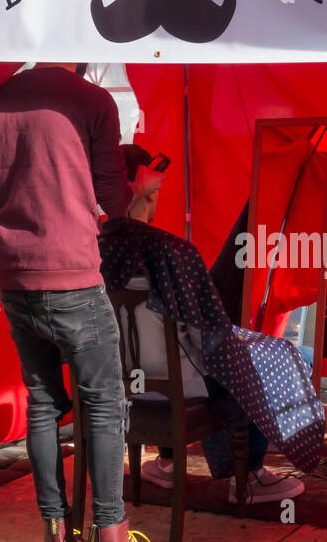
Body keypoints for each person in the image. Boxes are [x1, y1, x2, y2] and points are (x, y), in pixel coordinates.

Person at [0, 64, 175, 542]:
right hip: (73, 276)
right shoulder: (92, 101)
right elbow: (113, 203)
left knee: (42, 404)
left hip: (14, 273)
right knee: (106, 404)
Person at [120, 145, 306, 505]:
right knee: (247, 359)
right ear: (152, 194)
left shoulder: (82, 255)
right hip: (179, 390)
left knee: (165, 350)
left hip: (112, 392)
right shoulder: (173, 253)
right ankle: (248, 475)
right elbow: (211, 334)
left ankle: (169, 462)